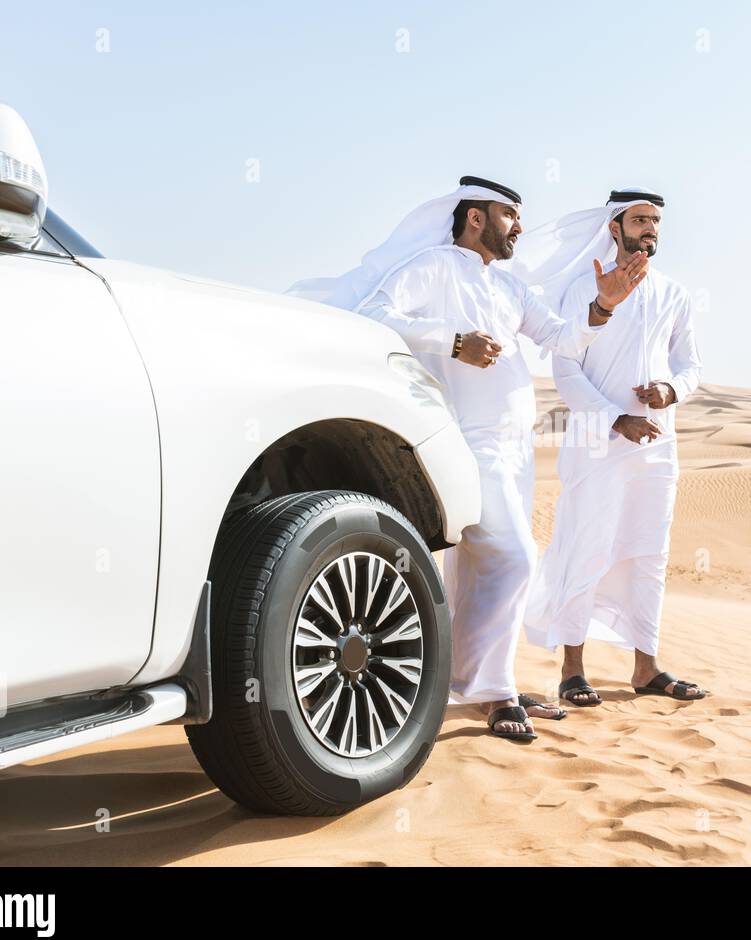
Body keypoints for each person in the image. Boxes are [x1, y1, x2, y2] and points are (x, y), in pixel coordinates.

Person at [289, 176, 650, 739]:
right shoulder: (433, 266)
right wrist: (453, 342)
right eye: (510, 215)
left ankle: (490, 682)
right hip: (466, 440)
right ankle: (490, 690)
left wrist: (603, 306)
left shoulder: (508, 285)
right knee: (514, 558)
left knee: (483, 565)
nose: (520, 227)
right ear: (476, 217)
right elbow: (374, 314)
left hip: (515, 447)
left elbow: (561, 338)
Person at [507, 188, 706, 708]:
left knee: (649, 551)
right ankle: (572, 669)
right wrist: (616, 418)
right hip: (597, 444)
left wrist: (670, 391)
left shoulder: (674, 294)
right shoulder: (582, 291)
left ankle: (647, 666)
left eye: (657, 221)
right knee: (585, 545)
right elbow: (565, 369)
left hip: (659, 445)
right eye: (640, 220)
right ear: (614, 227)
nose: (651, 229)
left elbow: (691, 366)